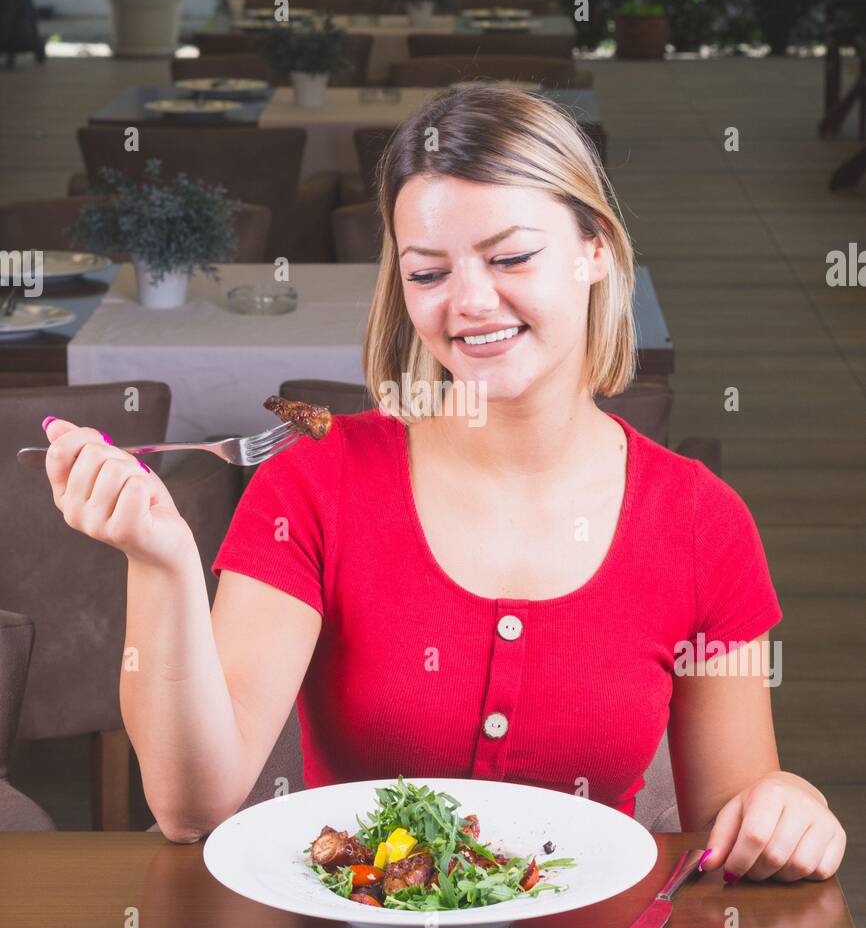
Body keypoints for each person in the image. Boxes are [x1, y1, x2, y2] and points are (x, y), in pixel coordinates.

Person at [43, 84, 845, 884]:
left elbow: (731, 825)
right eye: (428, 273)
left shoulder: (704, 522)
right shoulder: (314, 485)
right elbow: (193, 808)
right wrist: (160, 562)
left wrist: (786, 805)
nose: (468, 302)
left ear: (594, 248)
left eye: (511, 257)